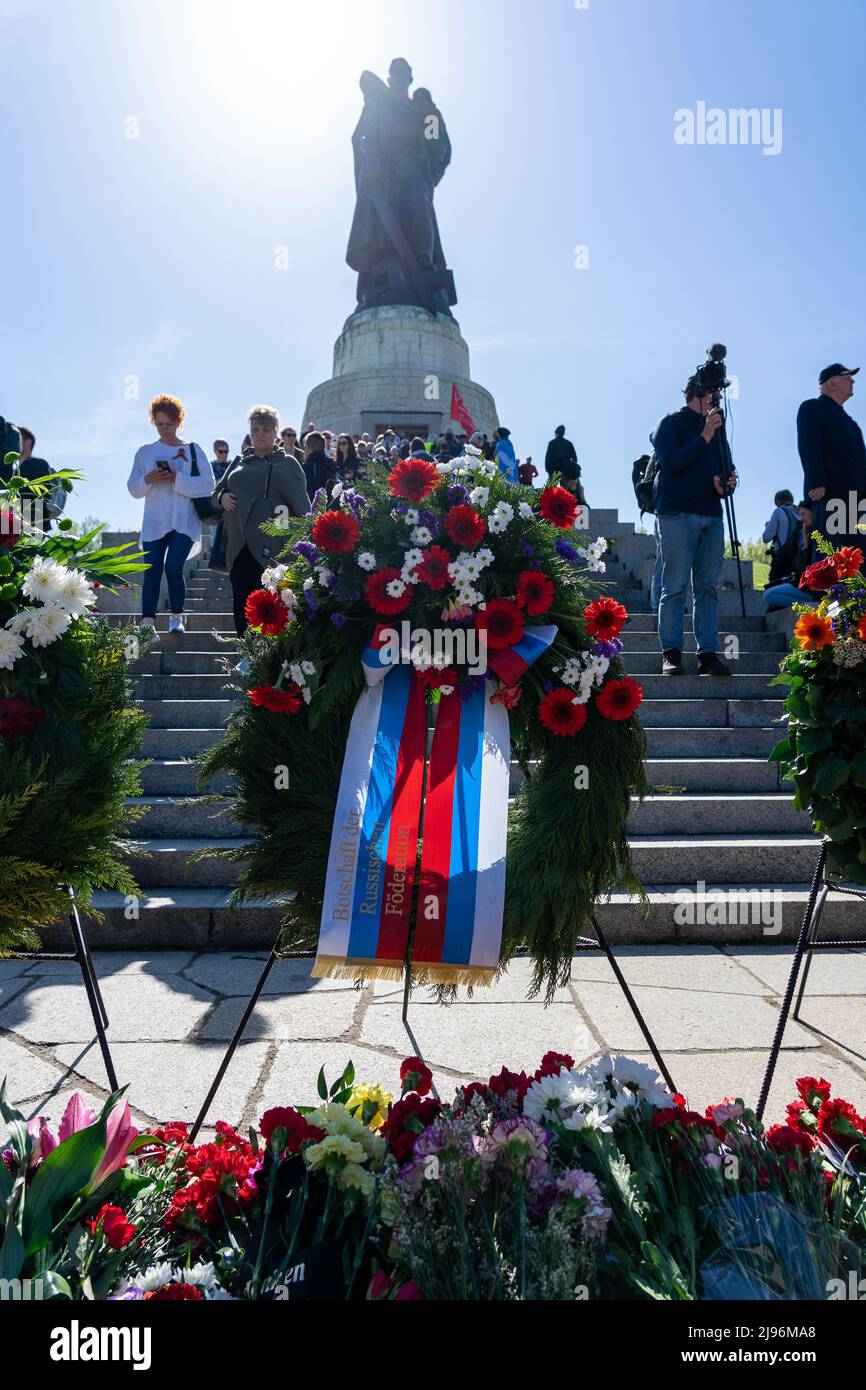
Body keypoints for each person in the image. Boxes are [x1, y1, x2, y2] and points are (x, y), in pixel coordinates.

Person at [650, 371, 738, 676]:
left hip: (712, 515)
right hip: (676, 513)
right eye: (715, 392)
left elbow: (726, 468)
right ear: (701, 393)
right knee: (674, 586)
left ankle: (708, 653)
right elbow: (671, 462)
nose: (719, 399)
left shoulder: (718, 431)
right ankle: (671, 653)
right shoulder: (671, 422)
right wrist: (704, 436)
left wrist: (727, 483)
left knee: (707, 588)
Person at [215, 405, 310, 638]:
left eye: (266, 429)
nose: (259, 434)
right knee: (242, 599)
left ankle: (267, 654)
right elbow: (215, 493)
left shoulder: (287, 463)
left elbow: (303, 505)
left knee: (269, 601)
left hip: (273, 542)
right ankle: (247, 651)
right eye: (255, 429)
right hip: (238, 542)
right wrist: (221, 496)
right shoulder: (238, 461)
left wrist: (310, 538)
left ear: (276, 433)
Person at [127, 394, 214, 640]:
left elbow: (208, 483)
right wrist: (149, 478)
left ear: (179, 422)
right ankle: (147, 624)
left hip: (185, 520)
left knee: (174, 566)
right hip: (155, 521)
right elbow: (133, 488)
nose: (165, 429)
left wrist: (176, 479)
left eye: (169, 424)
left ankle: (177, 617)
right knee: (152, 569)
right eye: (160, 424)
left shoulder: (193, 450)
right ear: (154, 422)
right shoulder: (145, 452)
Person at [797, 364, 866, 562]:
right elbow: (809, 446)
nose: (852, 381)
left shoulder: (852, 425)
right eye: (847, 377)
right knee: (831, 559)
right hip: (830, 498)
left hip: (857, 504)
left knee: (857, 562)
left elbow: (862, 463)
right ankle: (824, 595)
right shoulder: (812, 408)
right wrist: (816, 481)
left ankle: (855, 594)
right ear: (832, 382)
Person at [762, 488, 802, 586]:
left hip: (781, 559)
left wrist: (768, 525)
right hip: (800, 560)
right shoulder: (801, 512)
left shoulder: (779, 511)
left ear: (778, 501)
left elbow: (766, 538)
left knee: (774, 590)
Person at [303, 430, 339, 496]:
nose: (303, 451)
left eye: (304, 447)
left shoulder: (306, 468)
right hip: (332, 505)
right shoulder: (333, 466)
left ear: (308, 448)